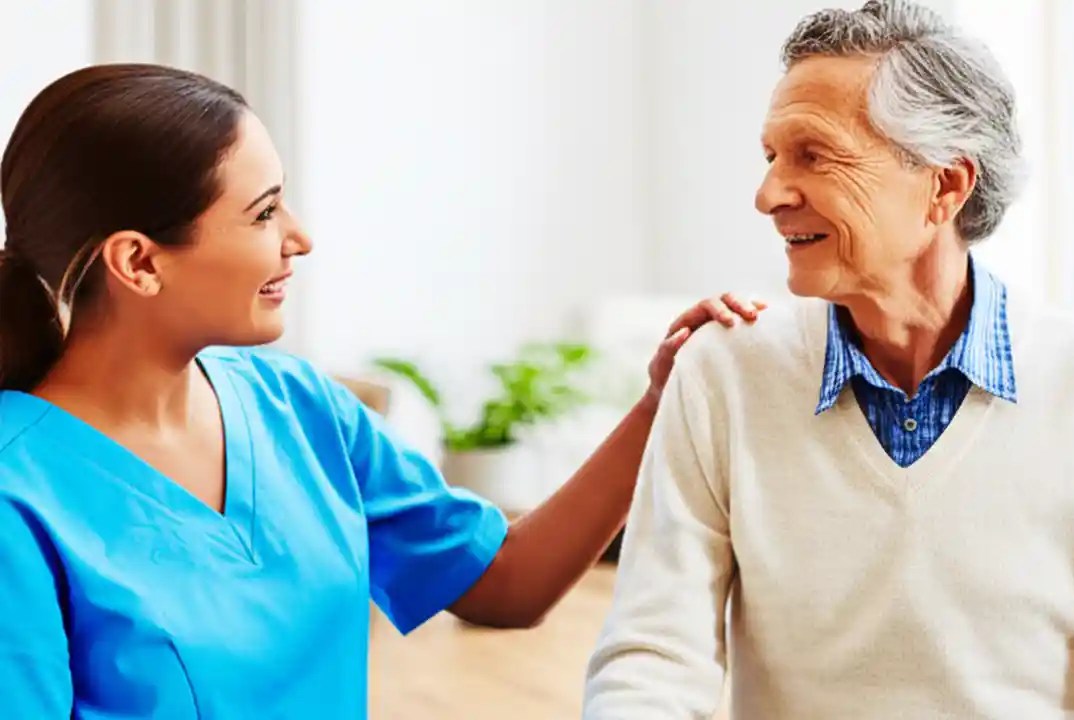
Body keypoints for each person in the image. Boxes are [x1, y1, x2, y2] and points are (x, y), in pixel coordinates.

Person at [0, 62, 764, 718]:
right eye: (263, 212)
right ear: (139, 262)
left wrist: (658, 404)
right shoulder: (17, 493)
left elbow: (504, 585)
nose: (299, 237)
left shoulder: (300, 406)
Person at [583, 2, 1074, 718]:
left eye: (814, 153)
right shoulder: (724, 374)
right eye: (771, 156)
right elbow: (652, 664)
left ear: (944, 186)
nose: (768, 194)